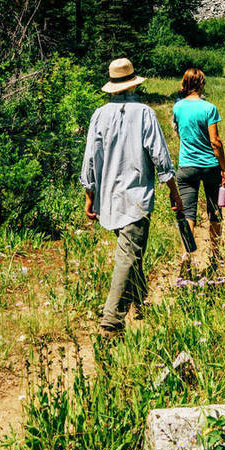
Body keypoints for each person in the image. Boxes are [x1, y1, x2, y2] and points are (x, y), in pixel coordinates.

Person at [80, 56, 184, 338]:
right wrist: (174, 192)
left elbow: (91, 158)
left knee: (131, 252)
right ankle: (111, 321)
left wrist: (90, 194)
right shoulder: (145, 114)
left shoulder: (99, 116)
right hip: (137, 197)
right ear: (134, 84)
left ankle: (140, 302)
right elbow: (160, 157)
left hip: (110, 198)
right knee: (128, 255)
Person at [173, 67, 225, 274]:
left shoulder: (178, 108)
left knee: (188, 213)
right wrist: (224, 168)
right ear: (202, 83)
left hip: (186, 165)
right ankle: (215, 255)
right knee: (215, 211)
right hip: (209, 166)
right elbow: (215, 141)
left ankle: (186, 255)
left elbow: (179, 133)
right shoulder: (209, 108)